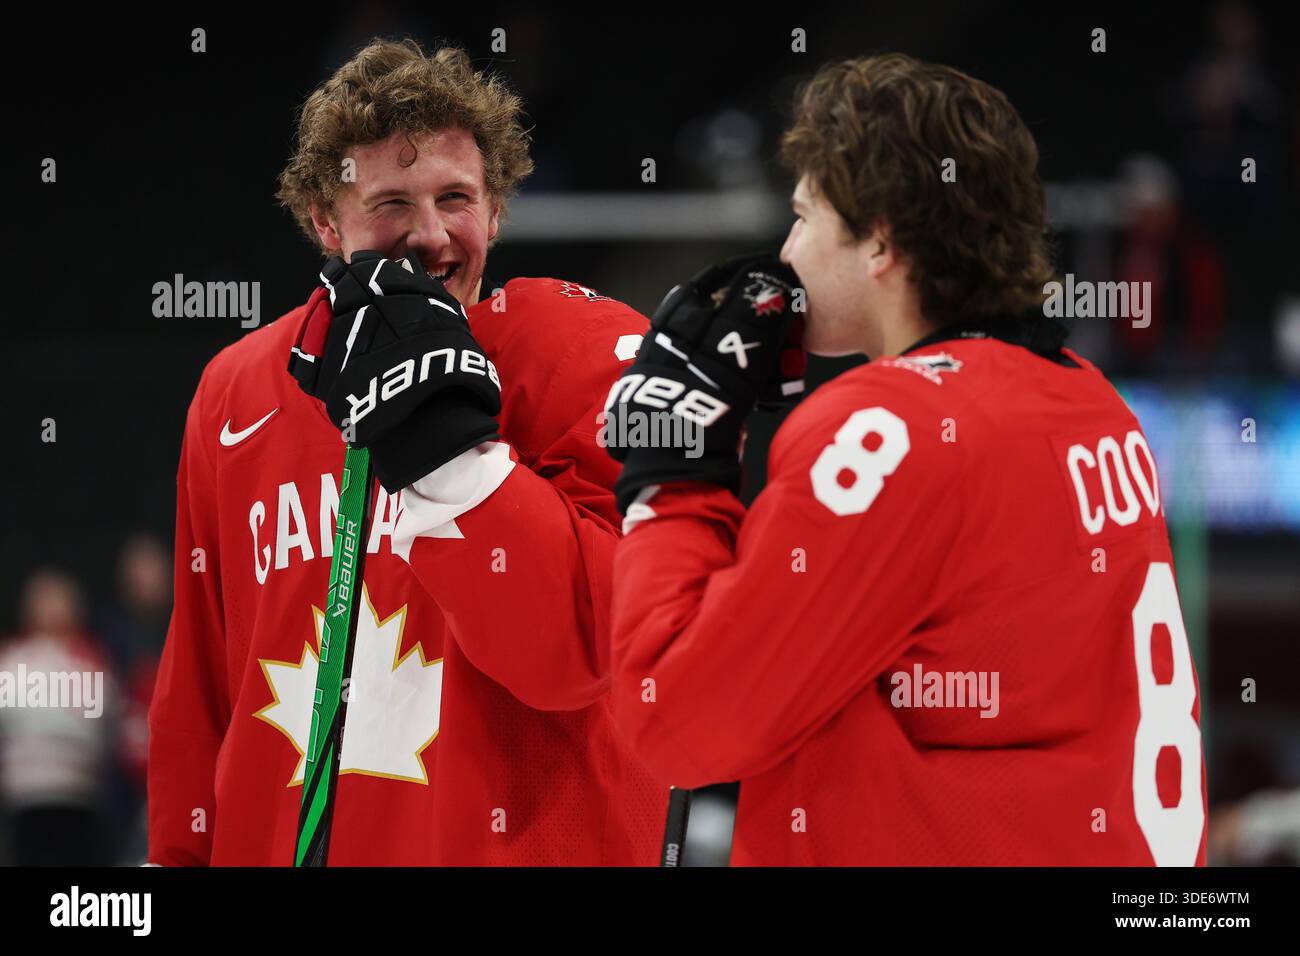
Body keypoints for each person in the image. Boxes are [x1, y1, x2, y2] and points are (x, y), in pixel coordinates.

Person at [603, 54, 1208, 865]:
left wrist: (675, 469)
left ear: (880, 240)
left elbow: (675, 723)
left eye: (806, 216)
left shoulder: (889, 424)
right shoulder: (1091, 399)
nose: (786, 252)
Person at [149, 38, 665, 866]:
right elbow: (200, 685)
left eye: (456, 197)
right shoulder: (236, 391)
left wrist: (450, 450)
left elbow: (579, 654)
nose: (430, 236)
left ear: (495, 210)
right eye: (391, 203)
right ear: (327, 218)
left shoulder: (587, 352)